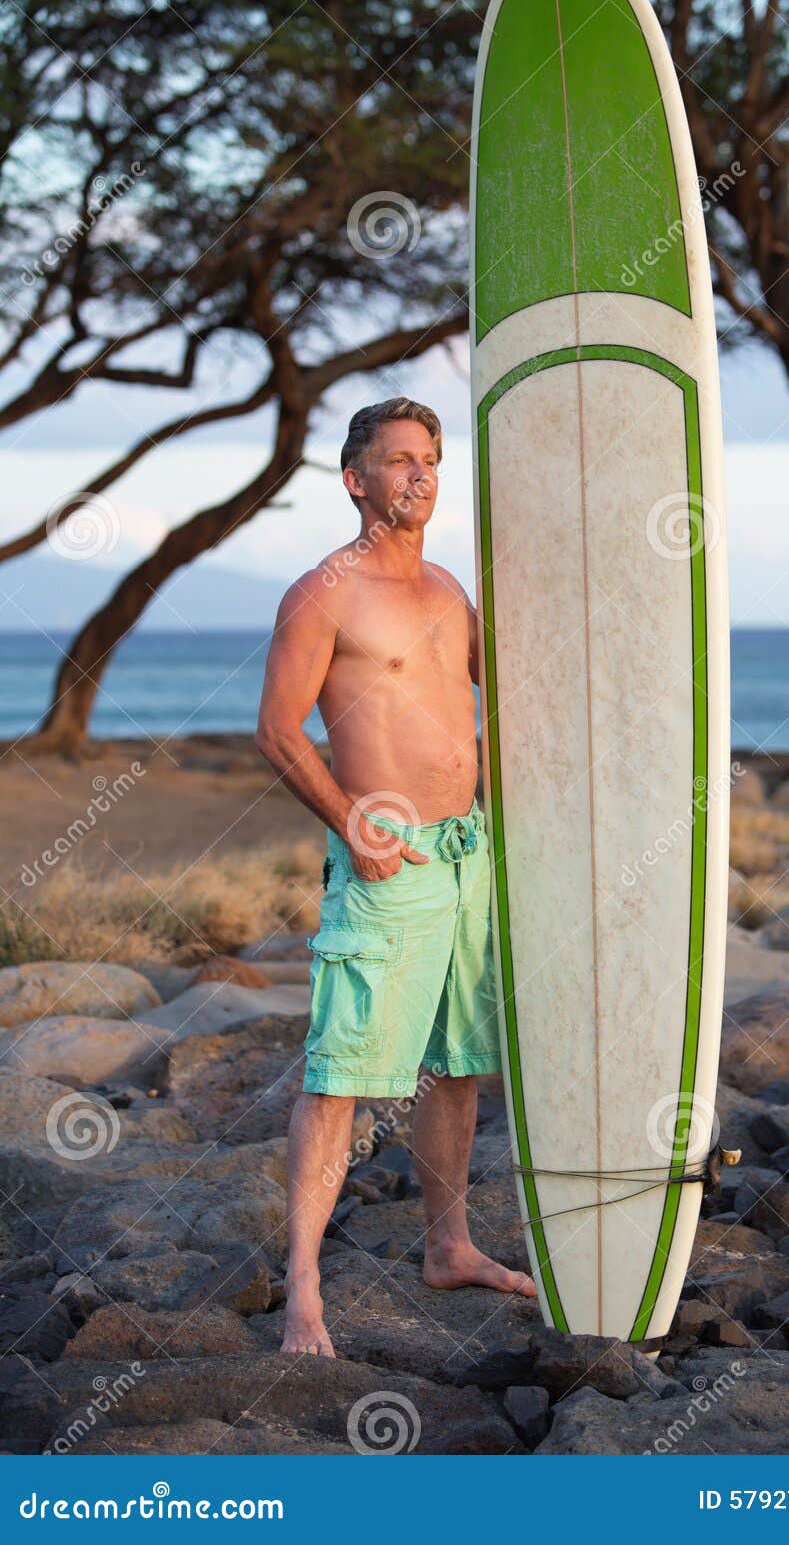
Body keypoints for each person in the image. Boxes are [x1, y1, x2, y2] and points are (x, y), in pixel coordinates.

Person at [256, 394, 536, 1357]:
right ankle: (303, 1294)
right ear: (354, 479)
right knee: (339, 1078)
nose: (418, 474)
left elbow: (493, 702)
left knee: (456, 1066)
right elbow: (278, 730)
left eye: (429, 459)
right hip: (390, 859)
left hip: (468, 856)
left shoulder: (450, 591)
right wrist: (353, 825)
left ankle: (447, 1245)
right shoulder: (323, 591)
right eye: (398, 460)